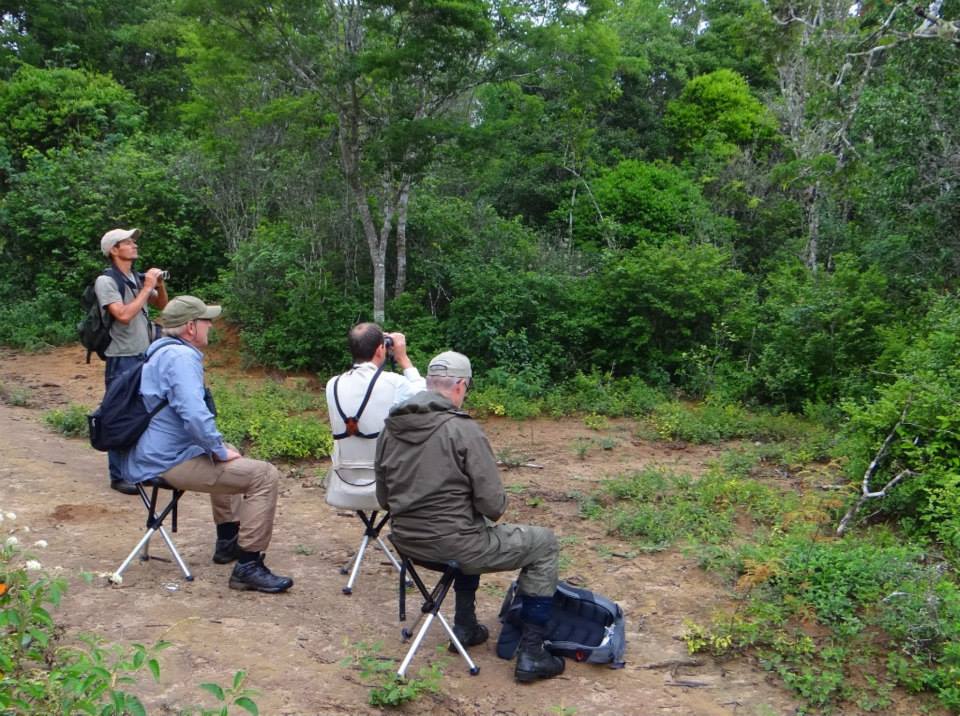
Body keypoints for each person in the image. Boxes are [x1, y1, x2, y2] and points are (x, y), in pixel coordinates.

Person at [375, 351, 565, 683]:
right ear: (461, 386)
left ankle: (464, 625)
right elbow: (494, 505)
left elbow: (383, 498)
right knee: (544, 544)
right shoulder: (462, 429)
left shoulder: (390, 428)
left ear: (430, 384)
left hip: (407, 543)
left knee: (467, 528)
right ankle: (533, 653)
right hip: (454, 547)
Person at [121, 295, 293, 594]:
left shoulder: (159, 352)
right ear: (190, 327)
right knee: (264, 475)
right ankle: (248, 566)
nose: (211, 326)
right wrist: (217, 448)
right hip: (167, 460)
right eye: (206, 321)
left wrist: (217, 448)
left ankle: (228, 542)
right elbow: (194, 414)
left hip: (152, 453)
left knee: (227, 456)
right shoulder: (181, 357)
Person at [95, 227, 168, 495]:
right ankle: (118, 475)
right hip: (122, 356)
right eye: (128, 242)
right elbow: (122, 315)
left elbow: (161, 305)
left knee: (144, 411)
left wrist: (157, 285)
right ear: (114, 250)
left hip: (144, 354)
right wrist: (146, 286)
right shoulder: (106, 281)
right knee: (118, 412)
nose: (134, 245)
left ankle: (139, 470)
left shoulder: (135, 279)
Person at [324, 323, 425, 511]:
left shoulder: (332, 385)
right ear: (381, 349)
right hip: (388, 484)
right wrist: (403, 358)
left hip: (345, 482)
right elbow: (425, 399)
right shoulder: (393, 383)